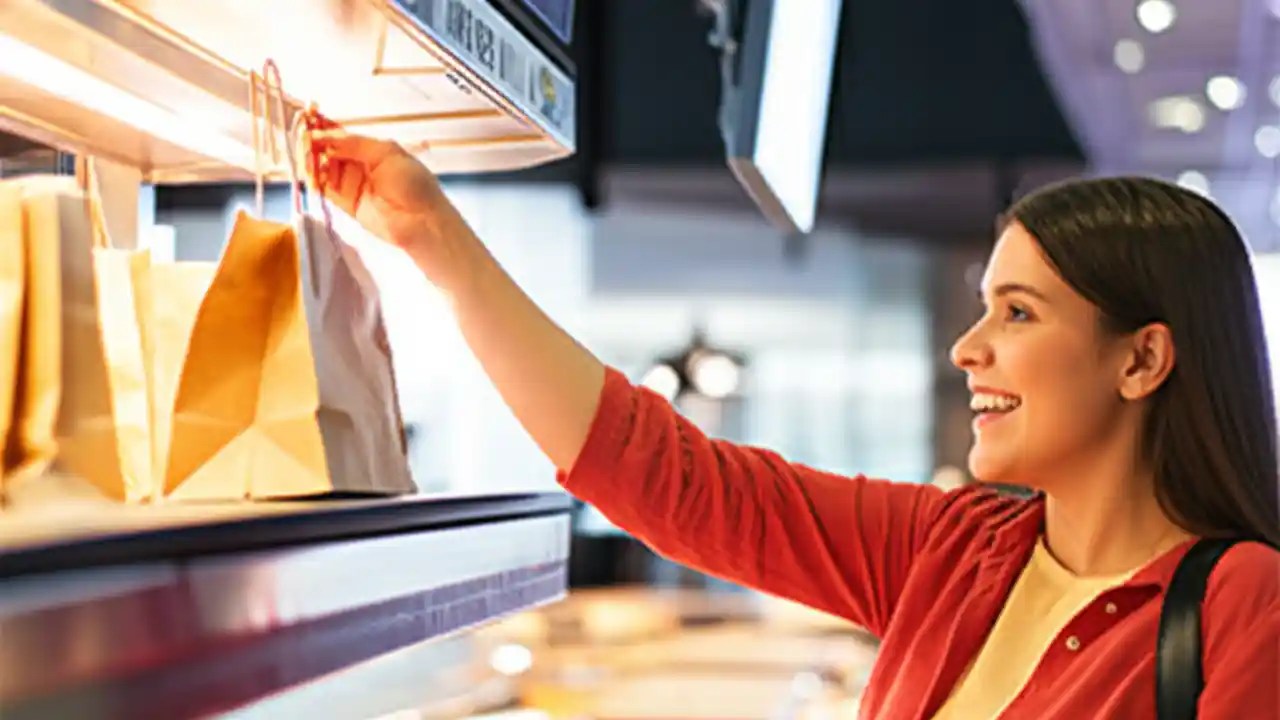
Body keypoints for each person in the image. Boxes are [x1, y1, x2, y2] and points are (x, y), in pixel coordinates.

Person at [308, 133, 1279, 719]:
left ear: (1140, 360)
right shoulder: (953, 550)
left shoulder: (1247, 604)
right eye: (981, 307)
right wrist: (436, 243)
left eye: (1017, 314)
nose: (966, 349)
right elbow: (666, 477)